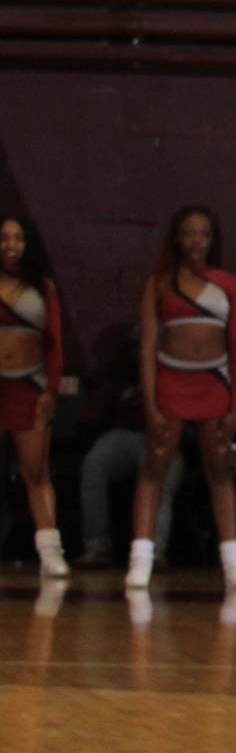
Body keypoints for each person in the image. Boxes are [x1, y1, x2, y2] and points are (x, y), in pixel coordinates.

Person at [129, 205, 236, 591]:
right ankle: (141, 558)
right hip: (171, 379)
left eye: (203, 234)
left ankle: (233, 562)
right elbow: (149, 347)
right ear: (177, 238)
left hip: (213, 381)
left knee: (219, 468)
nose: (196, 241)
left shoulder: (229, 284)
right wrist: (150, 404)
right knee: (155, 466)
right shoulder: (159, 282)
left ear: (212, 240)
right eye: (188, 233)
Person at [76, 326, 186, 568]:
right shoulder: (117, 375)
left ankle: (155, 551)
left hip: (164, 437)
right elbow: (90, 417)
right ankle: (97, 546)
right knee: (94, 462)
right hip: (123, 435)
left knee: (163, 474)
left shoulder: (175, 372)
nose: (142, 353)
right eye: (136, 347)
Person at [0, 215, 68, 577]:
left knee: (35, 470)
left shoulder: (43, 288)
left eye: (18, 239)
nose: (11, 245)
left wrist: (51, 390)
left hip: (28, 386)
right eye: (4, 238)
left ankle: (50, 550)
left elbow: (54, 343)